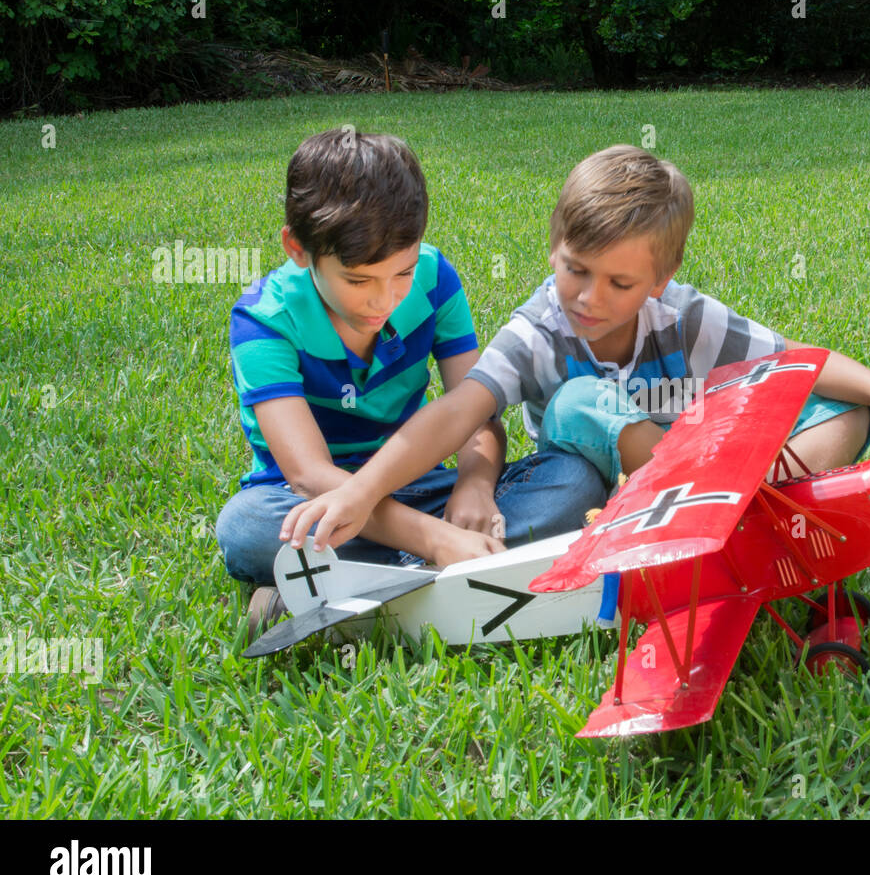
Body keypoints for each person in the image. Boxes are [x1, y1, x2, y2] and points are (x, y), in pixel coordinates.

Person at [280, 144, 870, 552]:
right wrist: (362, 491)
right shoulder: (539, 328)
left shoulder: (685, 317)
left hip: (706, 466)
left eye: (619, 282)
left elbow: (797, 364)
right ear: (553, 247)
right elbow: (459, 412)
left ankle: (765, 503)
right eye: (575, 269)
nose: (588, 297)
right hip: (615, 486)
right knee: (576, 398)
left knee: (836, 408)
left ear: (662, 277)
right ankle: (716, 507)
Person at [214, 129, 606, 639]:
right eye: (358, 281)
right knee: (245, 529)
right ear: (299, 248)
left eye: (401, 273)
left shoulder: (435, 278)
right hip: (307, 504)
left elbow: (475, 412)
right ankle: (449, 569)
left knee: (574, 480)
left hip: (418, 486)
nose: (384, 300)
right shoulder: (264, 320)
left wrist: (475, 486)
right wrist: (435, 538)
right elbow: (309, 474)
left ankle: (352, 590)